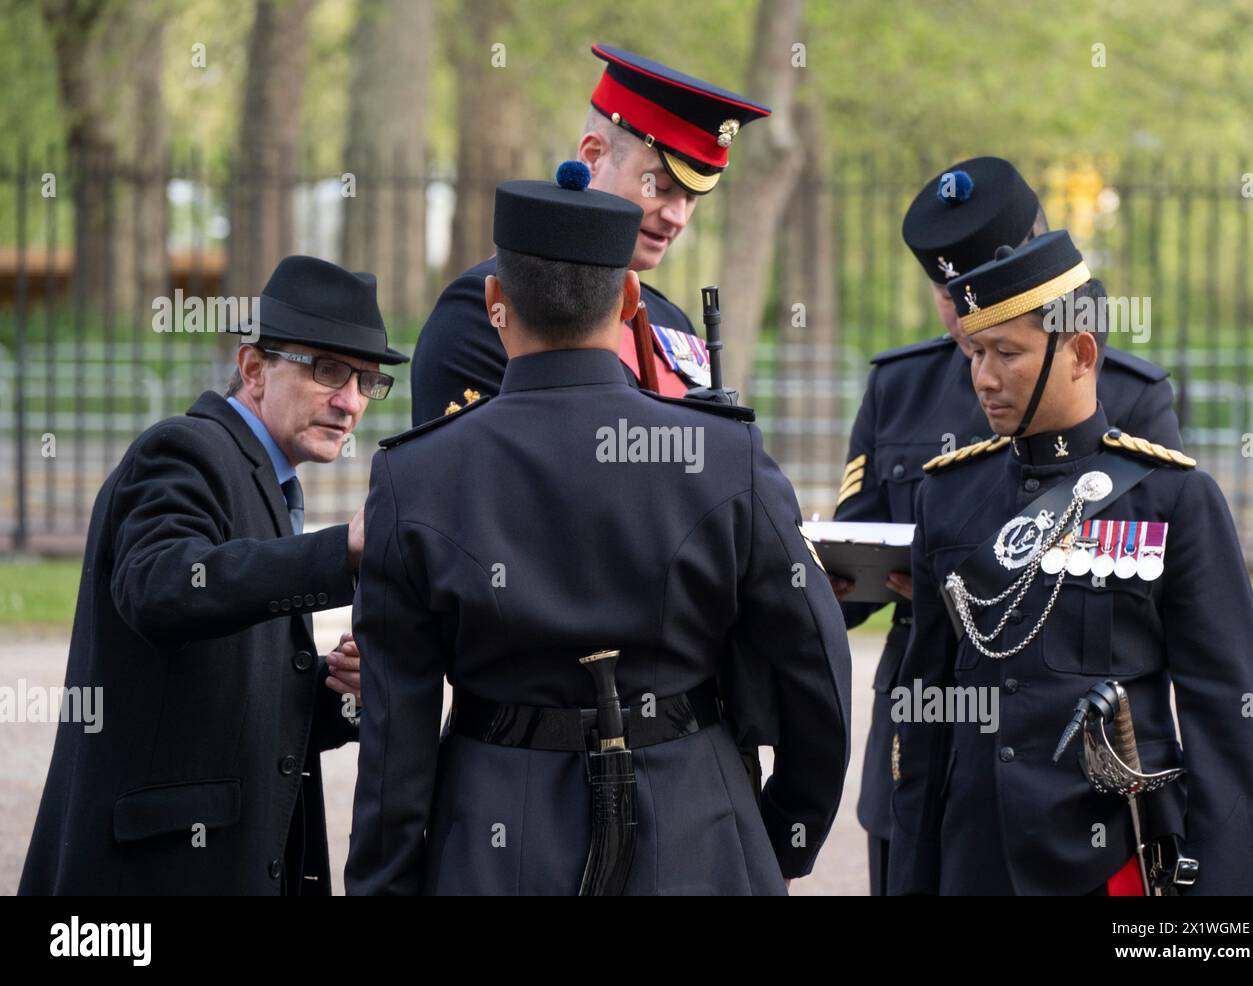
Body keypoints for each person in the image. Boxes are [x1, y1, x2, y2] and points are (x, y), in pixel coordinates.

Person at [345, 162, 851, 895]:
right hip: (699, 822)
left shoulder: (416, 477)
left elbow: (396, 736)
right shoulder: (720, 454)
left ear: (495, 300)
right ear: (631, 298)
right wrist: (781, 832)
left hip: (493, 837)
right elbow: (818, 664)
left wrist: (386, 886)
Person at [831, 157, 1184, 895]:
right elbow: (851, 570)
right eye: (946, 292)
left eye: (982, 289)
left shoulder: (1123, 389)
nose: (967, 321)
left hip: (1073, 744)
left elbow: (1150, 568)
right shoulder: (898, 386)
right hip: (932, 726)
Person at [888, 230, 1253, 895]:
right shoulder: (947, 495)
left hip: (1108, 860)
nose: (983, 376)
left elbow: (1226, 717)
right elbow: (928, 718)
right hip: (974, 861)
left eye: (1008, 353)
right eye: (975, 351)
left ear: (1081, 353)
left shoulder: (1172, 499)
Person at [19, 256, 408, 895]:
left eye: (368, 380)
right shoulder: (187, 448)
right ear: (253, 368)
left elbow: (242, 698)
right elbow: (160, 586)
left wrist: (347, 694)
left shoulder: (265, 478)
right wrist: (341, 553)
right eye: (328, 370)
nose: (351, 401)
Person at [408, 44, 771, 423]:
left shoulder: (670, 322)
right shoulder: (494, 308)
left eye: (692, 197)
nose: (677, 216)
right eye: (660, 187)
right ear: (593, 155)